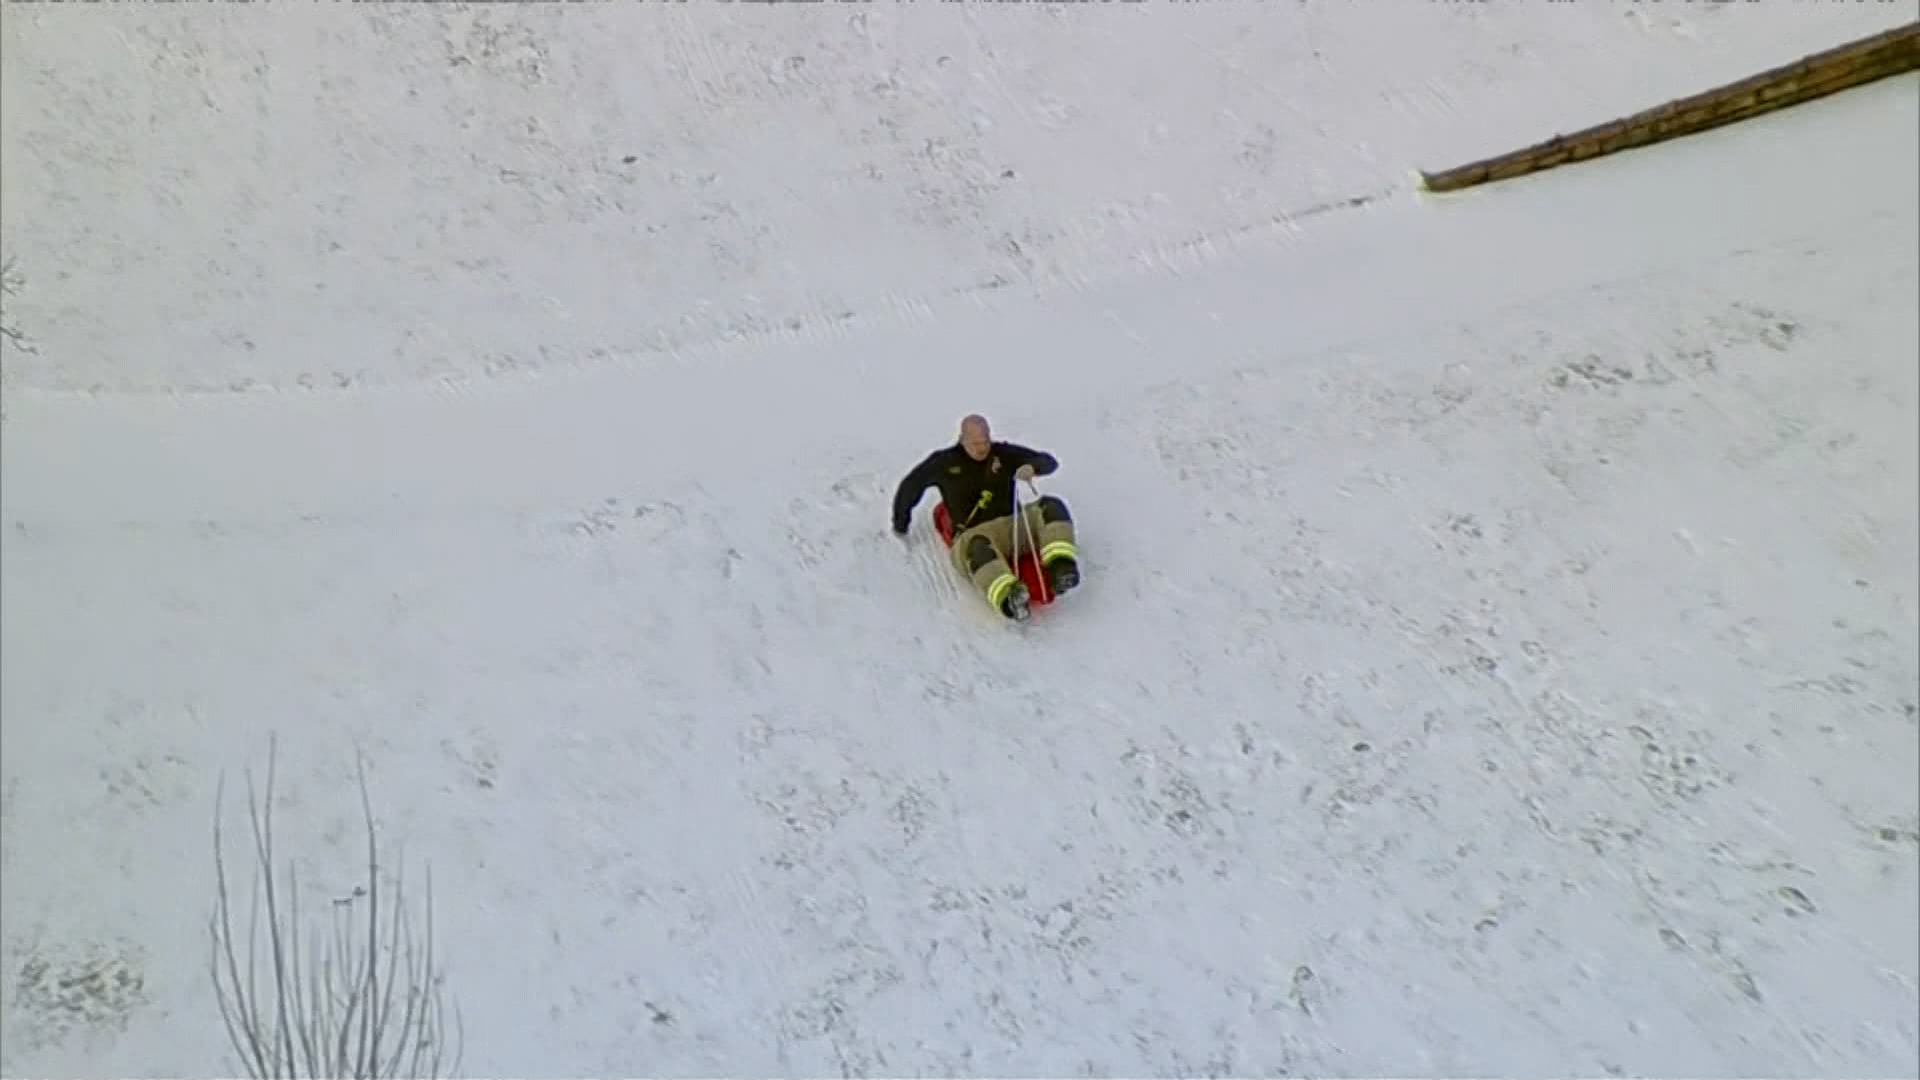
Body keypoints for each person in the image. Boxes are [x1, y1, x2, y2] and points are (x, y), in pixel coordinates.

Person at [891, 414, 1080, 621]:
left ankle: (1061, 568)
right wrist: (901, 522)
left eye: (985, 442)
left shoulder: (1002, 454)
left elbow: (1048, 461)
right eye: (975, 444)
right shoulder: (944, 463)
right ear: (962, 439)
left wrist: (1032, 467)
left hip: (1013, 526)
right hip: (974, 534)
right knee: (978, 549)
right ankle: (1010, 598)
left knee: (1051, 506)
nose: (982, 448)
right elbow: (910, 486)